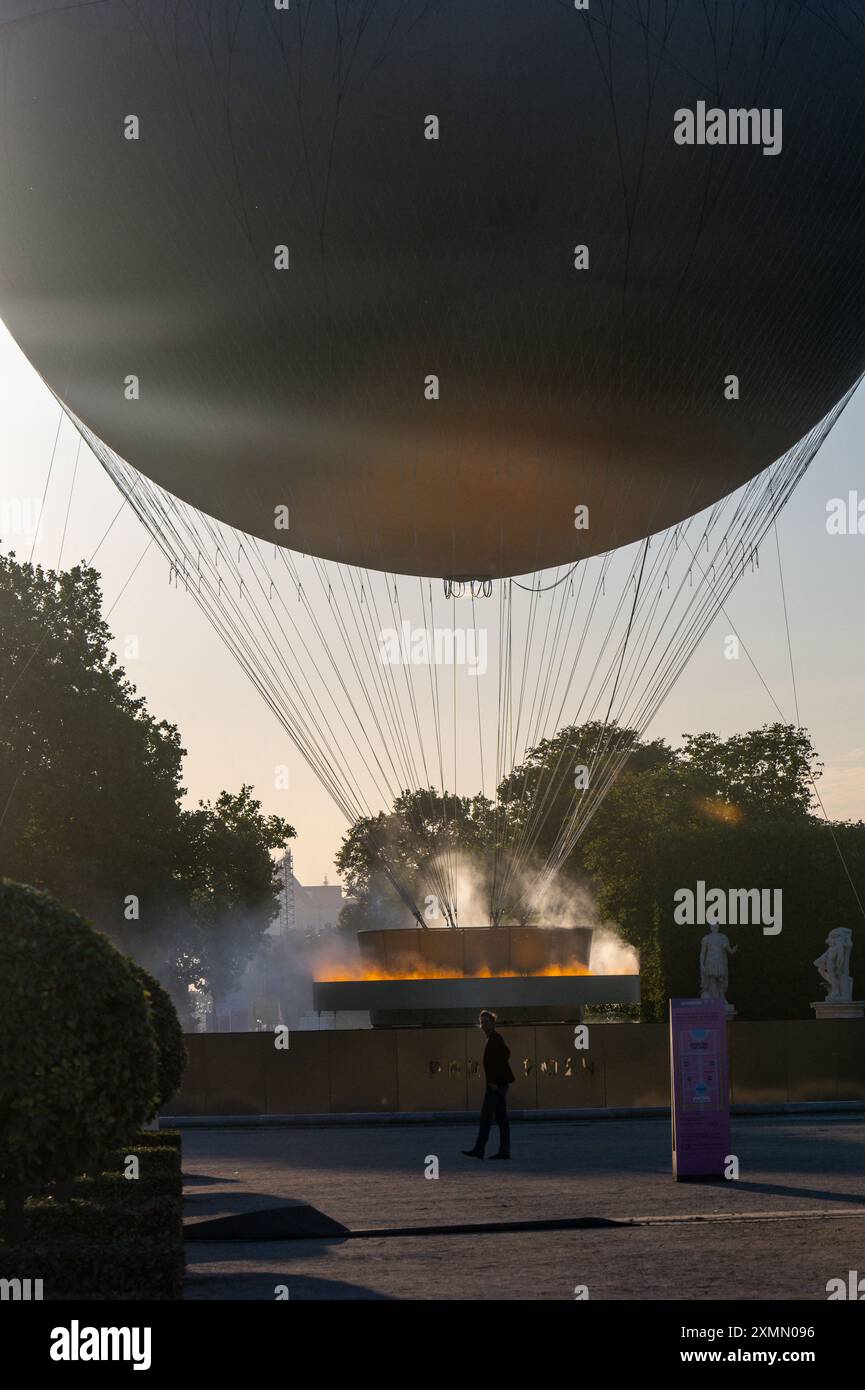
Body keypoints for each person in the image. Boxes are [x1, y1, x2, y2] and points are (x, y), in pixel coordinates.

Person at [462, 1009, 515, 1160]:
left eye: (486, 1022)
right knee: (501, 1119)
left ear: (493, 1023)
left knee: (487, 1117)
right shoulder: (492, 1039)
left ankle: (480, 1149)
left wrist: (495, 1082)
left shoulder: (495, 1039)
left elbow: (503, 1055)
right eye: (482, 1023)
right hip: (498, 1085)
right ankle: (504, 1151)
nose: (484, 1025)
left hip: (495, 1086)